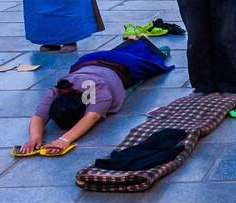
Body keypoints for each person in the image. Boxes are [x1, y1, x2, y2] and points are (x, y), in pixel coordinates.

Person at [19, 36, 173, 155]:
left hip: (125, 64)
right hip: (88, 60)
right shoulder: (60, 88)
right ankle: (132, 42)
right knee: (121, 52)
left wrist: (64, 140)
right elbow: (39, 116)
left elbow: (91, 117)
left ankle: (140, 42)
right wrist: (34, 138)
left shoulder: (99, 92)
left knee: (152, 57)